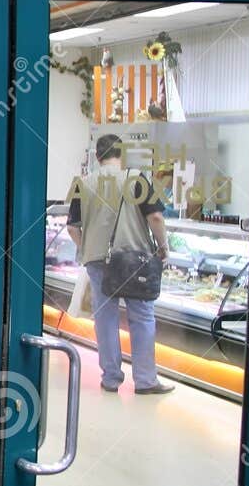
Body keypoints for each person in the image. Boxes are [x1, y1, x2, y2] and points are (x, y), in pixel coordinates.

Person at [67, 134, 174, 396]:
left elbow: (72, 228)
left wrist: (87, 247)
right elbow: (156, 217)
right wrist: (163, 247)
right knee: (142, 317)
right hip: (135, 259)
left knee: (105, 319)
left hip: (98, 261)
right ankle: (145, 380)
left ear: (97, 156)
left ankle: (111, 378)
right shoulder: (136, 178)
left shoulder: (83, 183)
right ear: (121, 155)